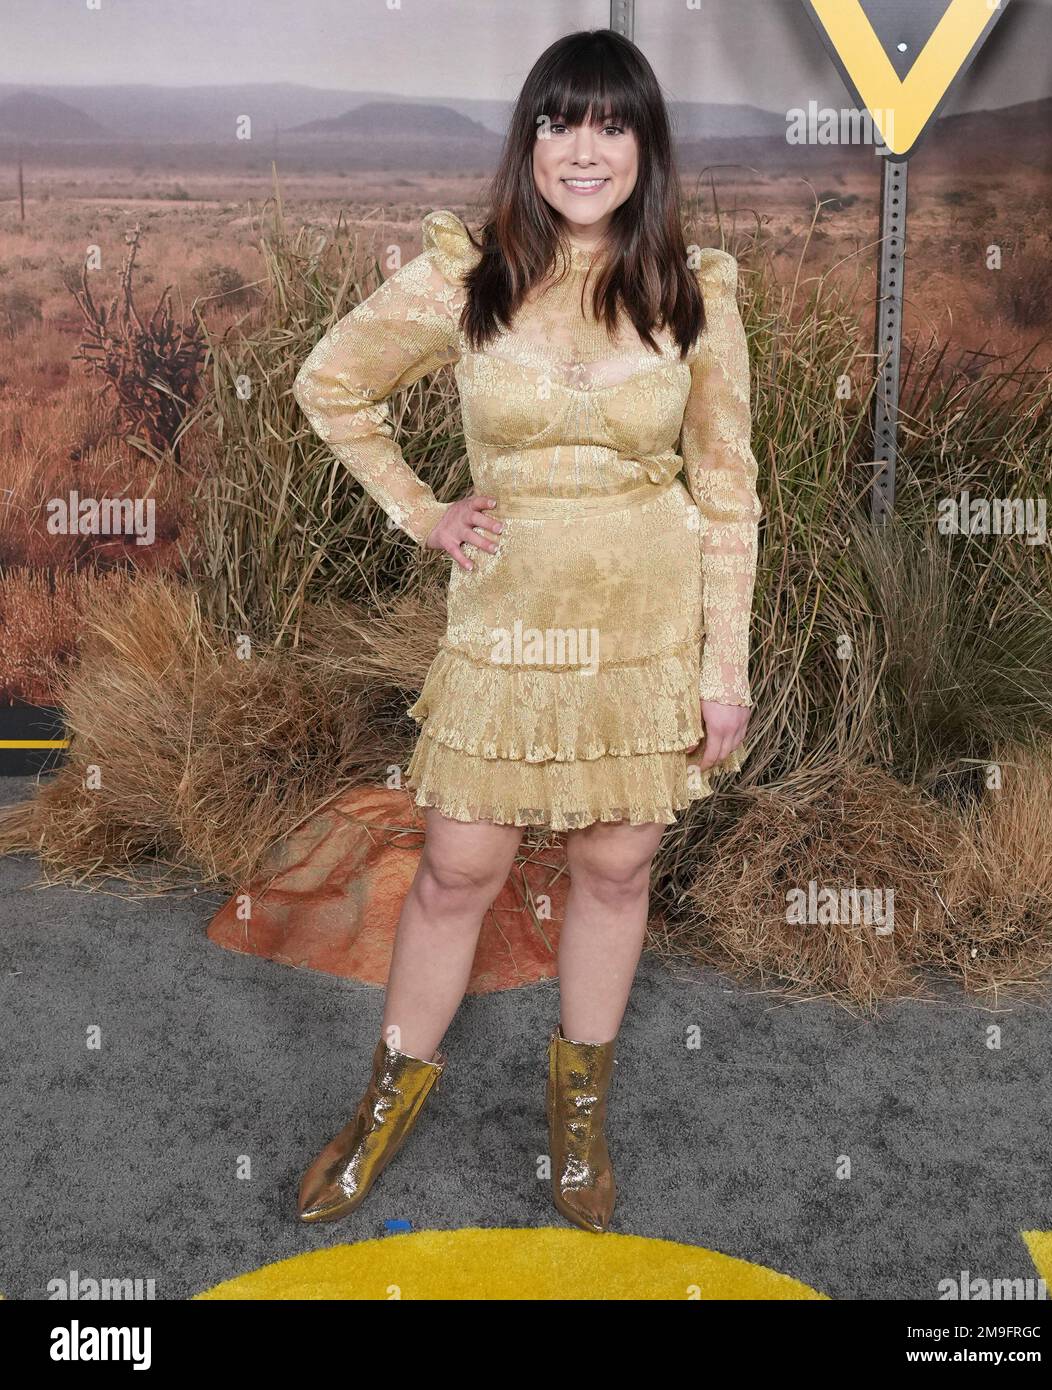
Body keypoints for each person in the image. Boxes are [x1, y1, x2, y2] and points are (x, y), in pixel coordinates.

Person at [290, 28, 762, 1235]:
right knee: (456, 871)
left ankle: (576, 1132)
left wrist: (723, 674)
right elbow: (329, 383)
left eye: (610, 124)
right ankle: (379, 1110)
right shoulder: (468, 273)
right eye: (559, 122)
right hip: (504, 630)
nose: (583, 148)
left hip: (645, 634)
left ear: (643, 146)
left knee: (616, 867)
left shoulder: (692, 293)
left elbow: (726, 493)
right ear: (530, 142)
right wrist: (422, 511)